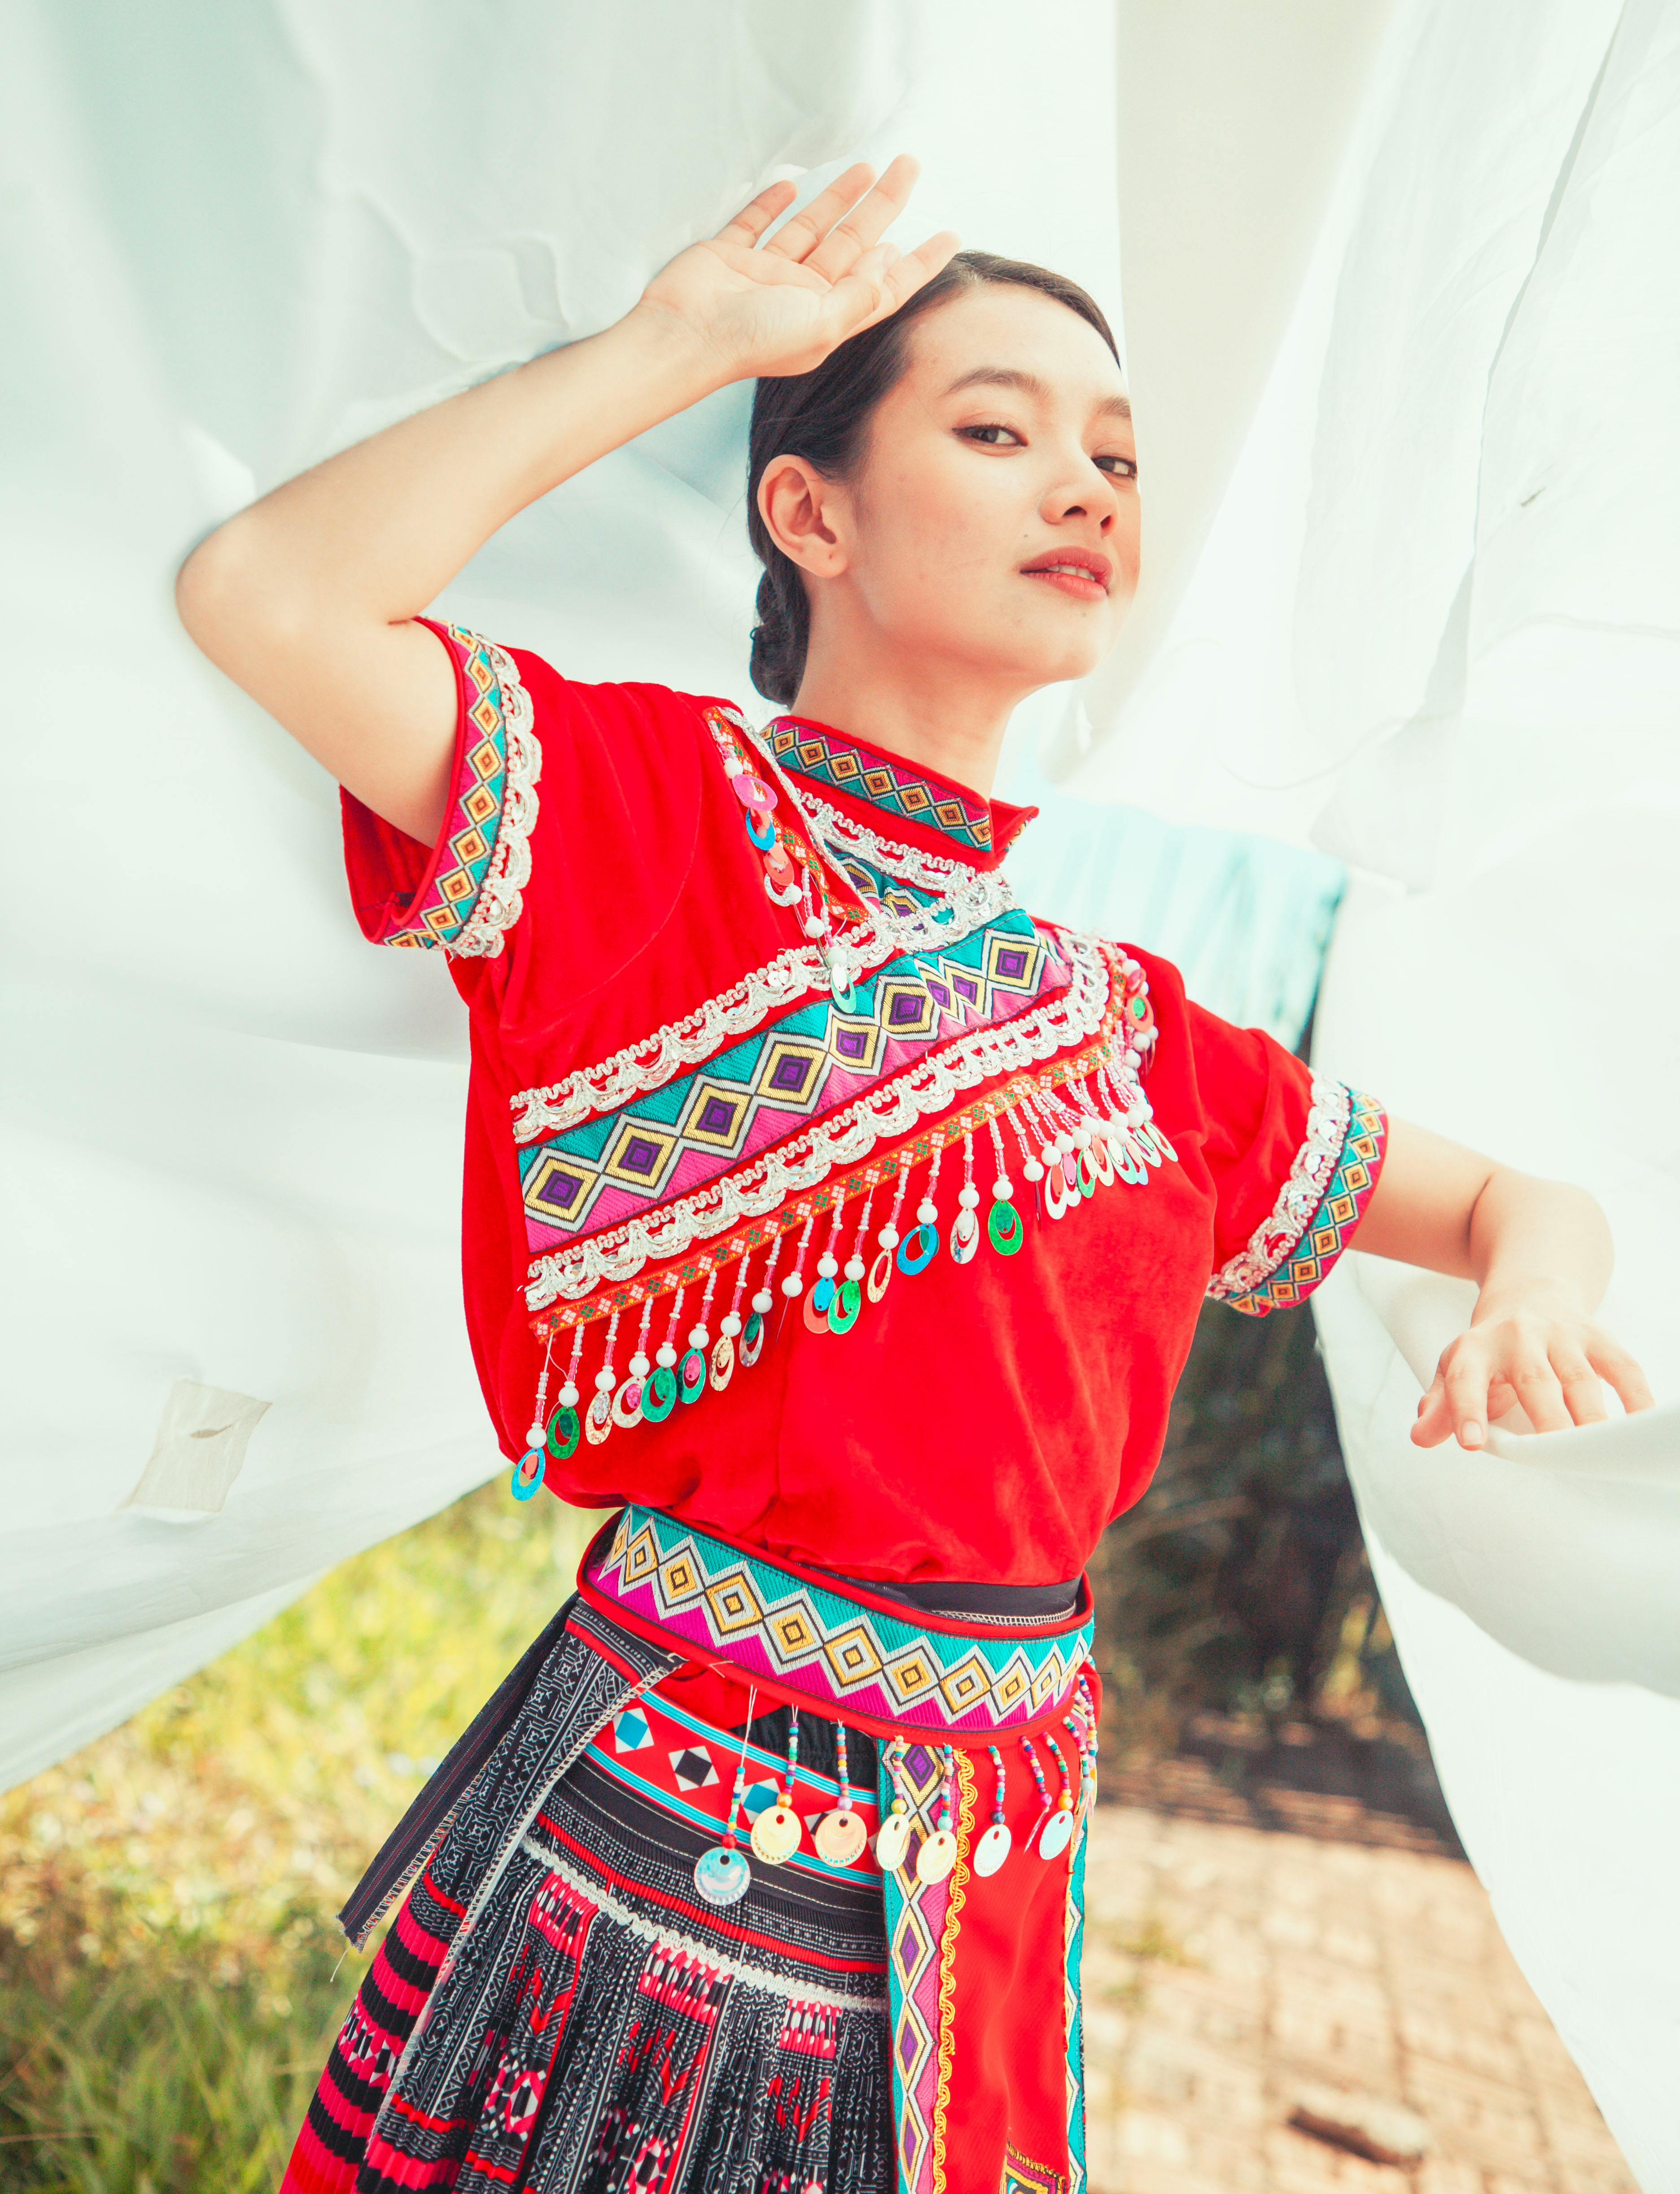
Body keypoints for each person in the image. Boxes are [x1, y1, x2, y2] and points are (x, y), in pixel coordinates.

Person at [176, 157, 1651, 2194]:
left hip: (996, 1860)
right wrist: (683, 347)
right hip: (677, 1850)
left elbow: (1522, 1205)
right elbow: (271, 596)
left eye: (1116, 455)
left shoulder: (1127, 1029)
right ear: (813, 510)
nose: (1087, 486)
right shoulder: (648, 818)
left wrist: (1539, 1302)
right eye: (998, 429)